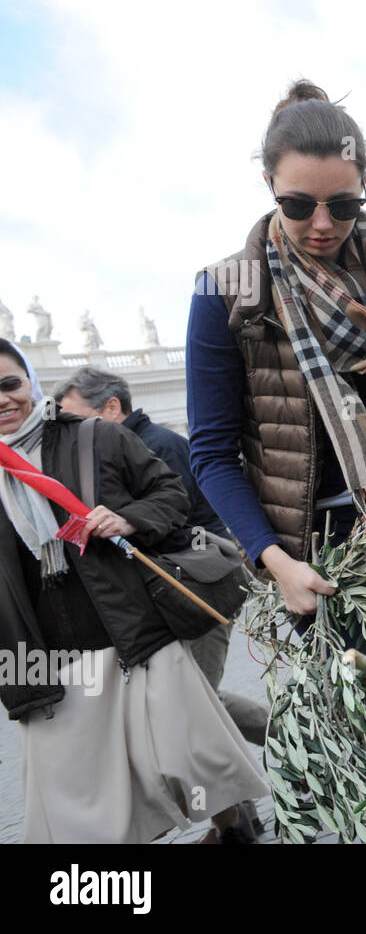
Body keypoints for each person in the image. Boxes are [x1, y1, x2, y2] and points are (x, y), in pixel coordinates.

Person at [185, 80, 366, 779]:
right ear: (267, 184)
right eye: (297, 203)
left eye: (344, 204)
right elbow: (212, 454)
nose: (322, 222)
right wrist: (276, 562)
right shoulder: (224, 291)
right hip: (312, 550)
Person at [0, 339, 268, 843]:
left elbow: (170, 493)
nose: (1, 399)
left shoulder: (95, 436)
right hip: (41, 652)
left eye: (8, 383)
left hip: (130, 628)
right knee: (74, 785)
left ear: (29, 382)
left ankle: (234, 826)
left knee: (189, 756)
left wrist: (127, 518)